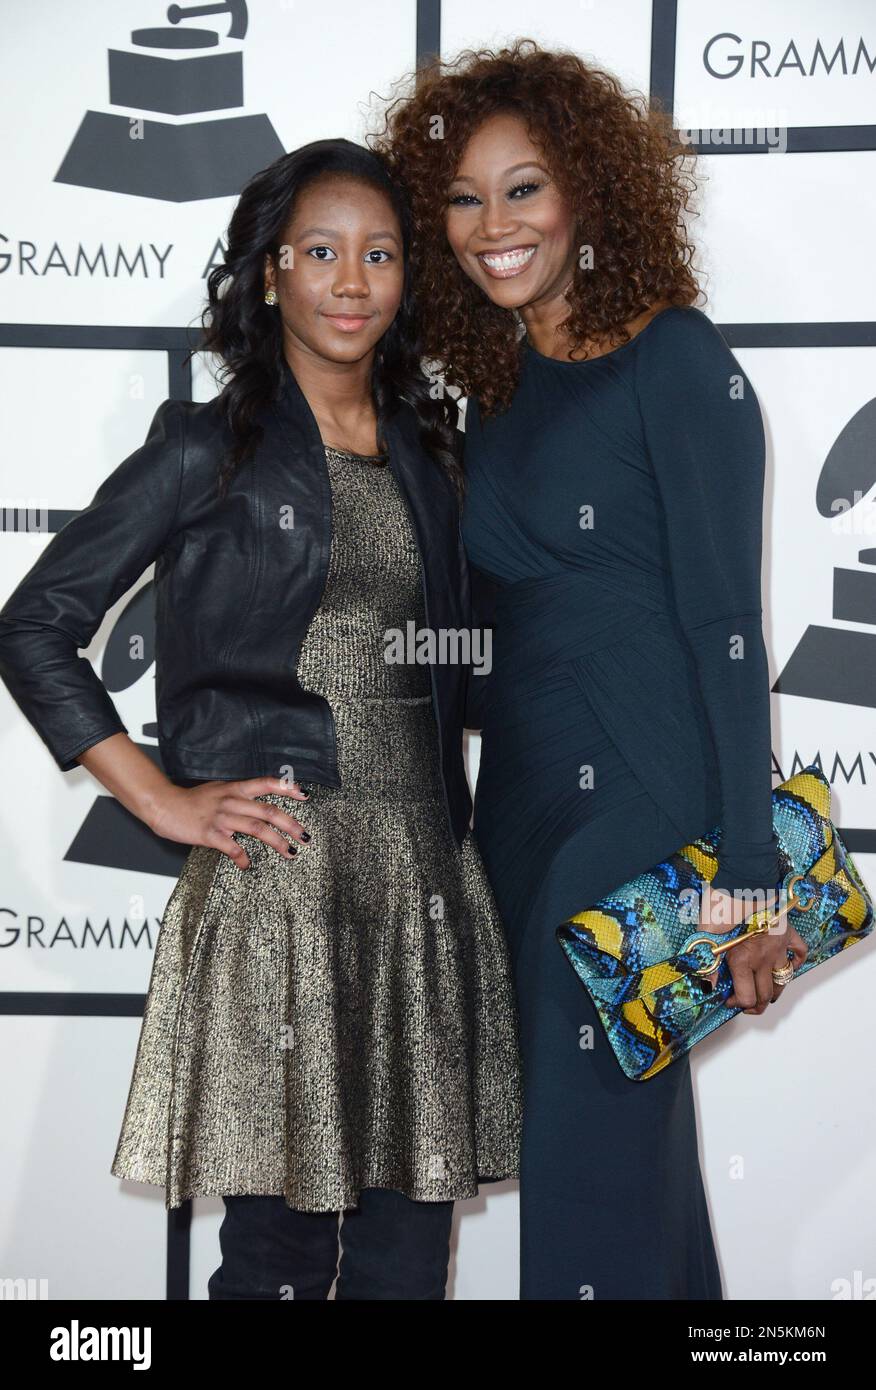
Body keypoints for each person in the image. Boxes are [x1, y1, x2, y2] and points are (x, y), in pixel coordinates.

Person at [0, 139, 522, 1300]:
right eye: (322, 252)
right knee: (276, 1257)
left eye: (379, 255)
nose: (351, 282)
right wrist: (159, 795)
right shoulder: (206, 447)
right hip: (279, 887)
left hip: (423, 892)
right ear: (272, 270)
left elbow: (464, 665)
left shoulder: (434, 458)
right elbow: (34, 625)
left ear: (406, 278)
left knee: (405, 1256)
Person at [374, 39, 808, 1300]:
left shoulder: (675, 358)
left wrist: (749, 881)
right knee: (630, 1168)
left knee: (585, 1169)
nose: (492, 224)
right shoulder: (494, 393)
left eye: (524, 187)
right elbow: (498, 640)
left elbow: (729, 624)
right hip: (519, 806)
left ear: (589, 194)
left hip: (639, 794)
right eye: (462, 196)